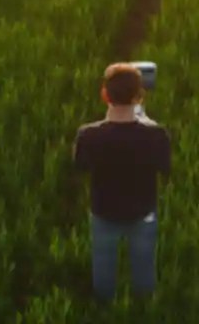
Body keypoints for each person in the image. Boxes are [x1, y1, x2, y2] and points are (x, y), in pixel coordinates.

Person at [73, 63, 172, 302]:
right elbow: (165, 168)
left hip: (103, 213)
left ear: (104, 94)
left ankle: (106, 310)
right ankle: (143, 311)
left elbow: (80, 167)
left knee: (103, 270)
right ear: (140, 95)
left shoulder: (88, 134)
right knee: (144, 272)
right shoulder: (157, 135)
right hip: (143, 213)